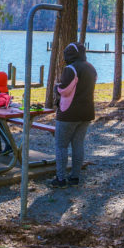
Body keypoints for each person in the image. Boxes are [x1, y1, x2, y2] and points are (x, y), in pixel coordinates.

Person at [48, 42, 96, 189]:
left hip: (69, 113)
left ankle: (60, 179)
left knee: (61, 145)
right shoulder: (90, 67)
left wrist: (57, 86)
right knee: (78, 145)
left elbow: (64, 90)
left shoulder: (71, 68)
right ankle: (75, 177)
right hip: (87, 112)